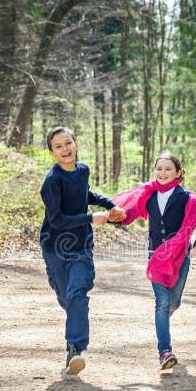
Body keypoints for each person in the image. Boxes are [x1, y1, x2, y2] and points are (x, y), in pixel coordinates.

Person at [39, 126, 125, 377]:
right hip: (55, 246)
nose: (65, 149)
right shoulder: (52, 181)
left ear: (75, 144)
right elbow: (56, 220)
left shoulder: (83, 170)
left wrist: (111, 205)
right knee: (67, 298)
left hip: (81, 246)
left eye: (68, 143)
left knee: (78, 293)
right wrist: (90, 218)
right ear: (52, 152)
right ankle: (74, 338)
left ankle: (74, 350)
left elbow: (84, 194)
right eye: (59, 146)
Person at [113, 152, 196, 370]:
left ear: (178, 172)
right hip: (155, 255)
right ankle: (165, 352)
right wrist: (112, 218)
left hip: (180, 257)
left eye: (168, 169)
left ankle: (169, 312)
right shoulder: (147, 195)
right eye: (159, 169)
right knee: (162, 303)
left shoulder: (187, 198)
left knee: (173, 302)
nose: (162, 173)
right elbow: (128, 214)